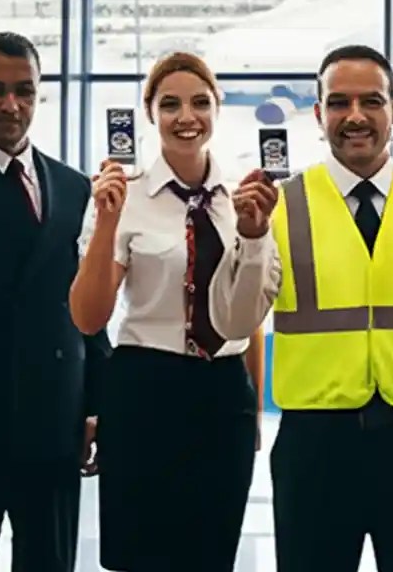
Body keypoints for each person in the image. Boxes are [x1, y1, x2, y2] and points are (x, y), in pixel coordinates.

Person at [68, 51, 279, 571]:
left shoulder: (244, 198)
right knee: (142, 554)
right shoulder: (124, 195)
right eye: (170, 104)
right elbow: (88, 317)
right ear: (150, 113)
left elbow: (250, 317)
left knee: (211, 553)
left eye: (199, 102)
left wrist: (251, 411)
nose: (186, 116)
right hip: (144, 389)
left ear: (217, 109)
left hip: (223, 391)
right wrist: (108, 222)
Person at [268, 44, 393, 572]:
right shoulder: (278, 207)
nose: (355, 116)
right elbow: (236, 321)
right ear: (318, 114)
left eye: (371, 101)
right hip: (315, 442)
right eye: (339, 103)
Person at [0, 31, 112, 572]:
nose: (12, 105)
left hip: (53, 419)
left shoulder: (73, 186)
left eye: (25, 91)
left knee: (49, 563)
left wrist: (97, 400)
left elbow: (88, 307)